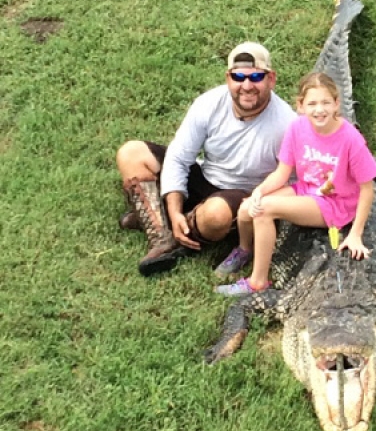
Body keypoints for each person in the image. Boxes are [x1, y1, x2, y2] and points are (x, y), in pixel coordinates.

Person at [116, 42, 297, 276]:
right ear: (228, 78)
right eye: (238, 76)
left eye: (256, 77)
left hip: (243, 195)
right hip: (206, 176)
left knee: (215, 214)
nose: (247, 85)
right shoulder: (209, 103)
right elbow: (179, 156)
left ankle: (159, 220)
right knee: (131, 152)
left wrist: (256, 208)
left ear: (271, 79)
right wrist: (174, 209)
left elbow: (291, 182)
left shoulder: (287, 124)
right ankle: (162, 236)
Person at [215, 72, 376, 296]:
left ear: (336, 104)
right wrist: (259, 191)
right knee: (247, 209)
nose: (319, 109)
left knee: (263, 211)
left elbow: (367, 188)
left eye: (325, 102)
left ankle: (258, 282)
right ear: (301, 105)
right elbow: (282, 172)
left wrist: (355, 234)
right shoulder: (297, 128)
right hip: (305, 190)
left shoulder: (350, 139)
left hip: (335, 204)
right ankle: (245, 250)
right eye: (312, 103)